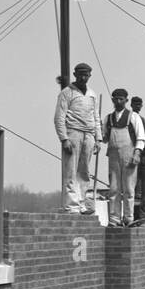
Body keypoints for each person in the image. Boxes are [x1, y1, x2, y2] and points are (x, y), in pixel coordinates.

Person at [54, 62, 102, 215]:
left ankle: (81, 203)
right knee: (71, 170)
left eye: (86, 74)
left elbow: (96, 117)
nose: (83, 77)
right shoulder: (67, 93)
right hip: (73, 133)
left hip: (89, 135)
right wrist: (64, 139)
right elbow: (59, 118)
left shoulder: (92, 94)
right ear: (75, 75)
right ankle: (71, 206)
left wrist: (98, 138)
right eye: (80, 74)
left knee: (84, 171)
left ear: (89, 76)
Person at [102, 87, 145, 226]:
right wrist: (97, 129)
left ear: (126, 100)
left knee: (129, 189)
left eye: (121, 99)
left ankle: (128, 218)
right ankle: (114, 219)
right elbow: (104, 138)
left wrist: (137, 153)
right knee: (114, 189)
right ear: (113, 100)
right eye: (116, 99)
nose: (118, 101)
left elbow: (141, 137)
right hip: (113, 155)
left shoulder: (133, 116)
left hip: (129, 155)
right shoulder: (108, 118)